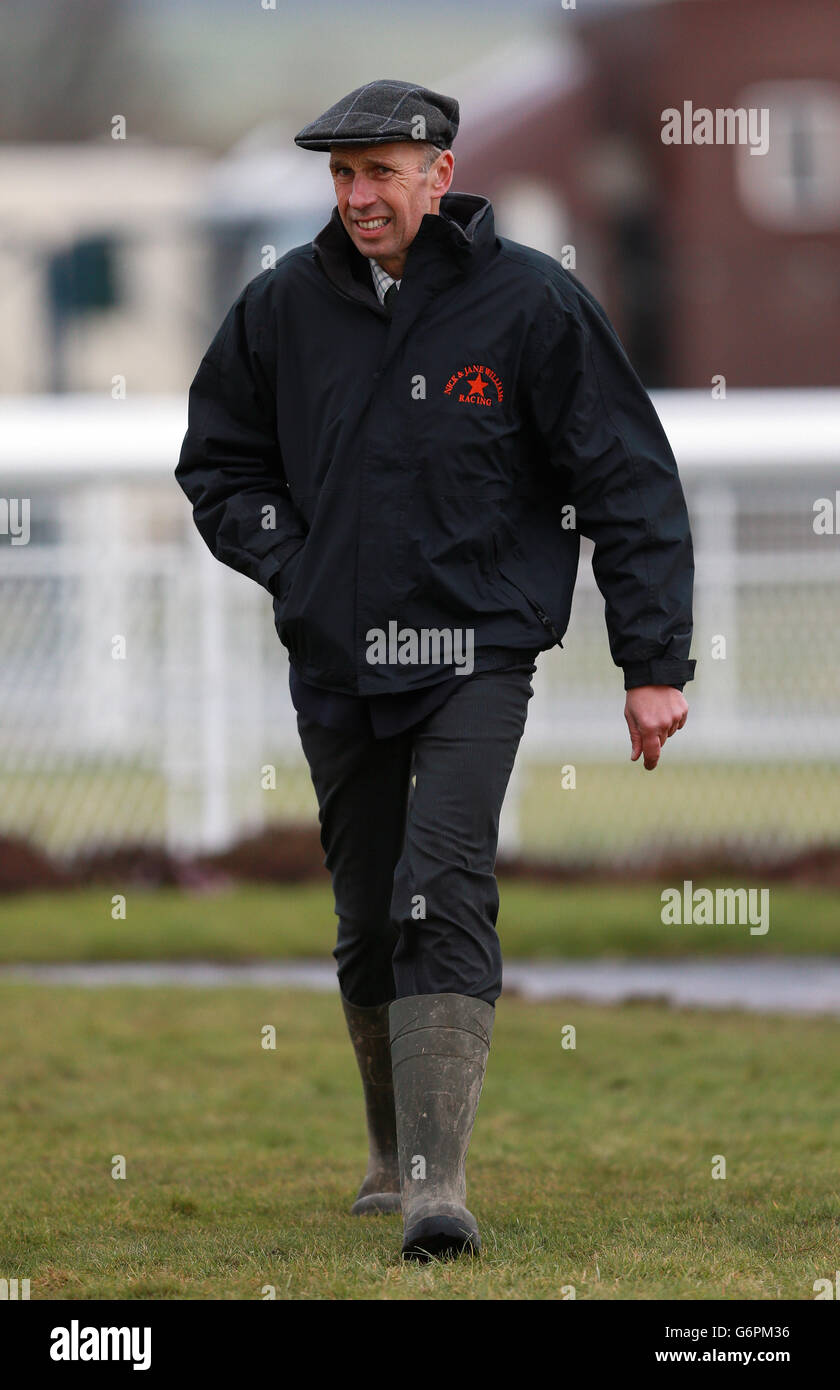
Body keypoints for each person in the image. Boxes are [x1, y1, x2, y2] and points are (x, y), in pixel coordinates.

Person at [175, 78, 696, 1262]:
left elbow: (627, 480)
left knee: (439, 886)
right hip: (336, 657)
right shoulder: (278, 310)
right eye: (343, 175)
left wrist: (652, 659)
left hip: (478, 656)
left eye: (382, 172)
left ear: (440, 175)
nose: (360, 195)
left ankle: (435, 1186)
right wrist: (297, 572)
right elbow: (219, 466)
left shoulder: (536, 307)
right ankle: (384, 1150)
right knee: (367, 917)